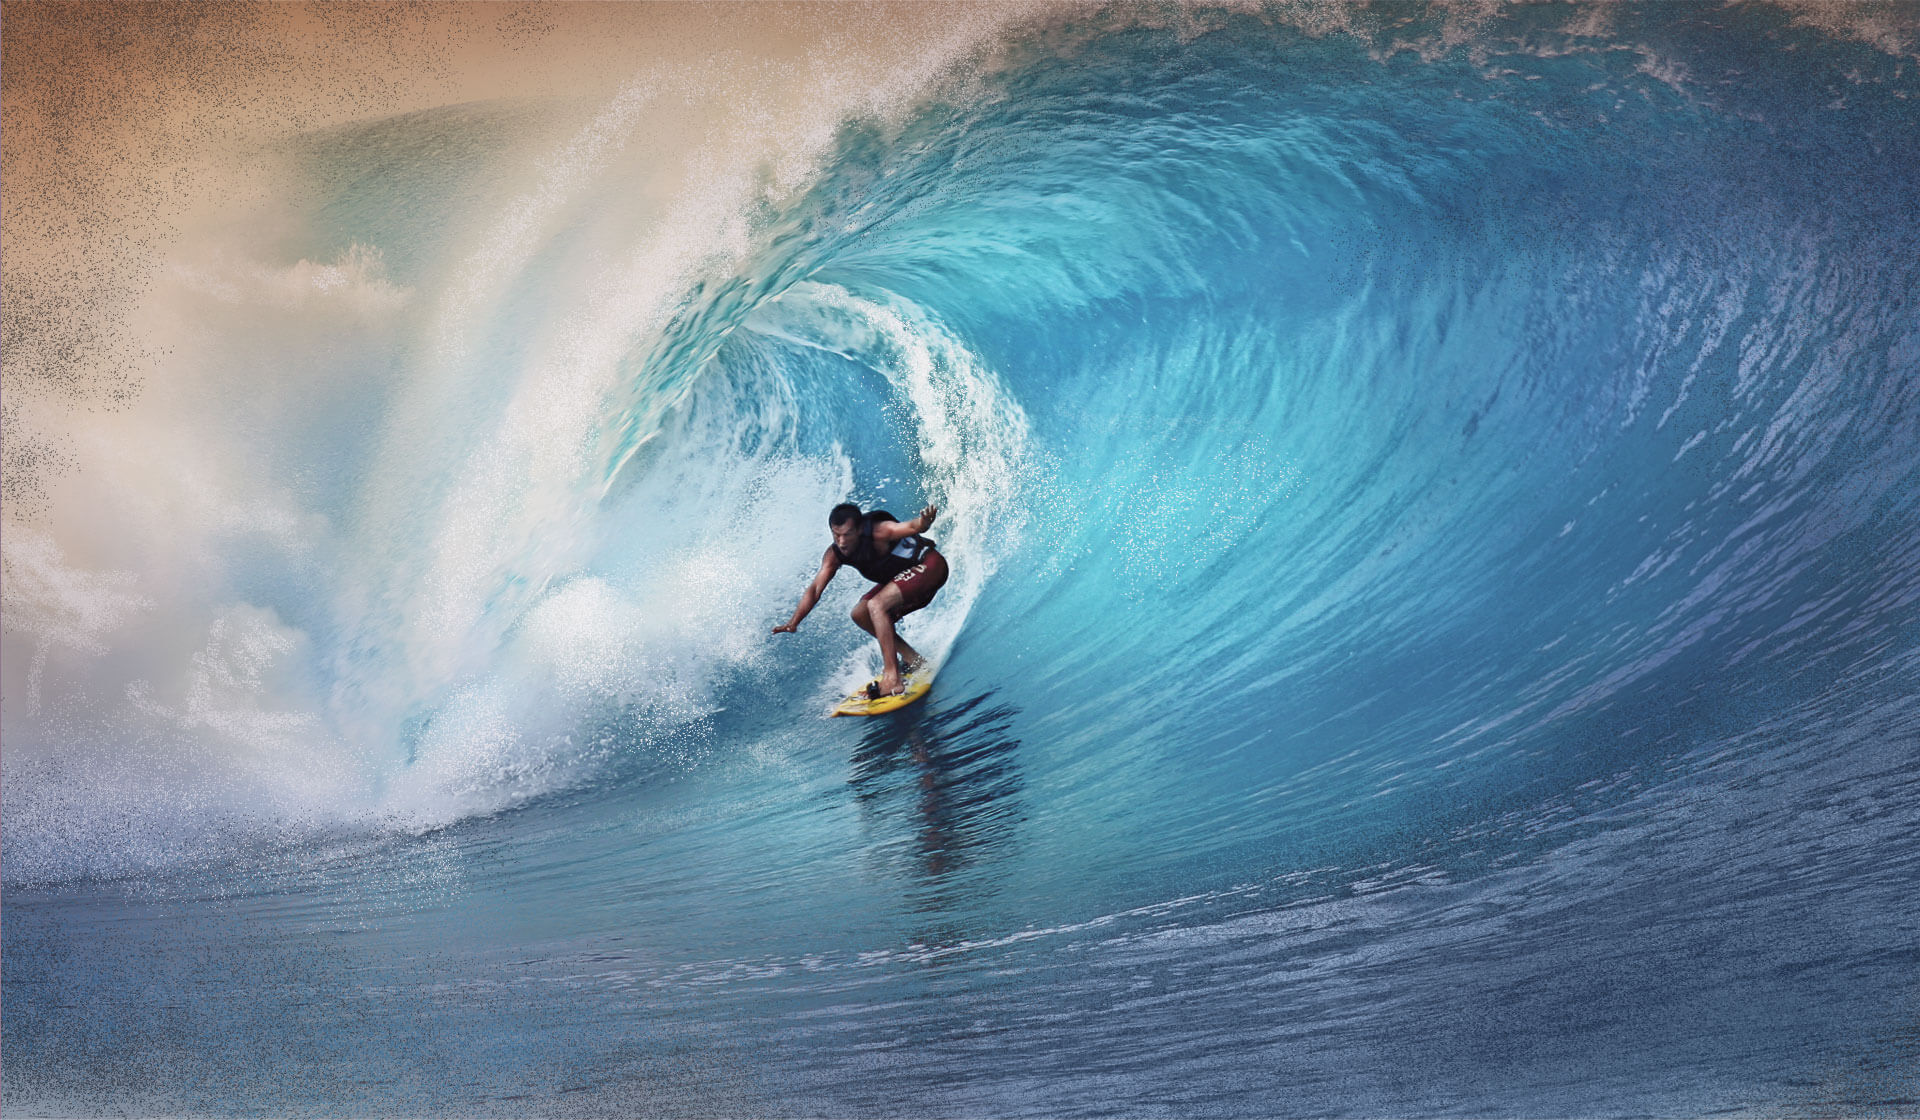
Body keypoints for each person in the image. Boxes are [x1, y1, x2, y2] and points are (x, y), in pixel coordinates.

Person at [772, 501, 948, 697]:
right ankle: (914, 660)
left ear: (859, 529)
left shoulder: (879, 531)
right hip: (907, 582)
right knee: (860, 614)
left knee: (876, 605)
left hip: (930, 567)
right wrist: (794, 621)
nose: (841, 542)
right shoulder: (835, 554)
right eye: (836, 535)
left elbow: (912, 526)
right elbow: (814, 590)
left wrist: (924, 522)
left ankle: (892, 679)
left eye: (847, 534)